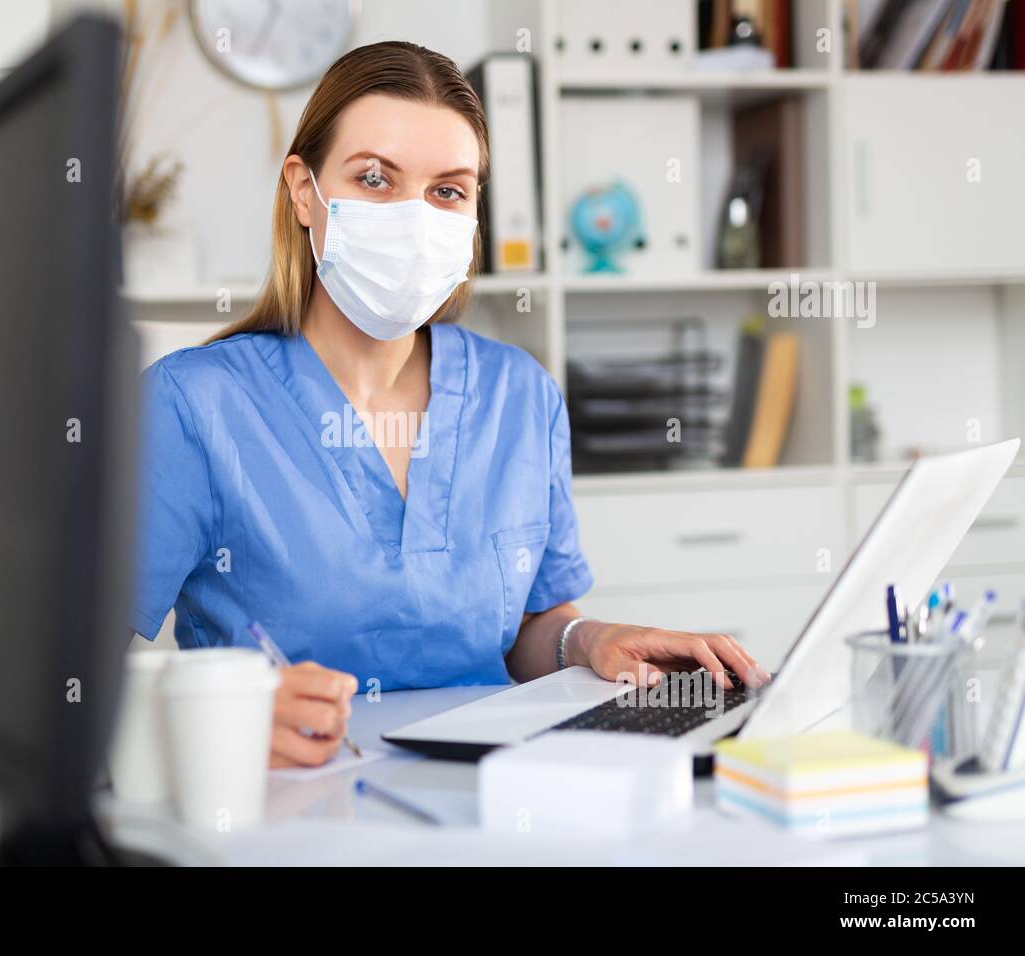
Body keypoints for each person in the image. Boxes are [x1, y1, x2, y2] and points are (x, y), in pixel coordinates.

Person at [132, 41, 769, 768]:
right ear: (304, 193)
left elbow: (526, 627)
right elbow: (69, 672)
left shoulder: (519, 396)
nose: (413, 218)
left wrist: (585, 640)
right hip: (281, 811)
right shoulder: (194, 405)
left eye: (447, 191)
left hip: (488, 803)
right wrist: (225, 713)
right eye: (375, 179)